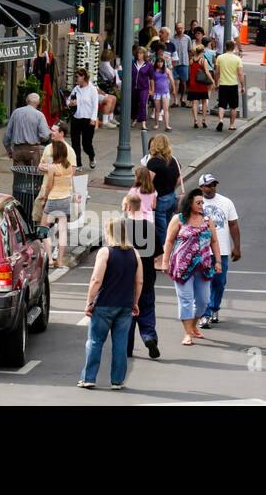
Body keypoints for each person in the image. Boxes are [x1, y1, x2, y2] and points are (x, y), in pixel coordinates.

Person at [77, 217, 142, 389]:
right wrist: (135, 302)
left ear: (109, 233)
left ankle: (88, 378)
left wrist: (89, 302)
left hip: (105, 303)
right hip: (126, 304)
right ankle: (117, 381)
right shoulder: (135, 253)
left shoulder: (105, 252)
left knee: (95, 341)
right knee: (120, 343)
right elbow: (139, 281)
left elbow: (96, 279)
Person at [162, 189, 220, 345]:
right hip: (182, 266)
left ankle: (193, 325)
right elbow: (169, 241)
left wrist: (218, 261)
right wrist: (165, 261)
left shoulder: (207, 220)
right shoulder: (178, 219)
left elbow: (214, 241)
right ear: (189, 203)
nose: (201, 205)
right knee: (186, 299)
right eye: (198, 202)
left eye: (202, 202)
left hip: (204, 266)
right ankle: (187, 333)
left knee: (203, 300)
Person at [198, 174, 241, 328]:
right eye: (208, 185)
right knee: (204, 282)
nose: (212, 188)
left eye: (214, 185)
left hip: (221, 250)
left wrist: (236, 246)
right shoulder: (196, 203)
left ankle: (215, 307)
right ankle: (205, 313)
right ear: (201, 187)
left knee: (219, 282)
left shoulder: (226, 202)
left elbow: (233, 224)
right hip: (201, 250)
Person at [120, 192, 159, 359]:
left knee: (127, 313)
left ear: (128, 207)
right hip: (147, 276)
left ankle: (127, 348)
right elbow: (158, 254)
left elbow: (112, 252)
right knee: (147, 309)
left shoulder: (120, 227)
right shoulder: (149, 227)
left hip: (126, 278)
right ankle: (149, 336)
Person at [145, 134, 181, 271]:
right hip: (172, 197)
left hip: (160, 199)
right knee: (168, 228)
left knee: (161, 231)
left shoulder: (154, 162)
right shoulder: (173, 160)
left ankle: (161, 260)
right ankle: (170, 256)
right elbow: (178, 179)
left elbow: (148, 181)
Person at [37, 139, 75, 265]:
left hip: (53, 199)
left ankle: (50, 258)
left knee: (43, 229)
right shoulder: (69, 166)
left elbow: (49, 186)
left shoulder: (53, 167)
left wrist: (44, 199)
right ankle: (59, 260)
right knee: (63, 230)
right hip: (66, 199)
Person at [3, 92, 50, 169]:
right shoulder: (39, 115)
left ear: (26, 101)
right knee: (32, 177)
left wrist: (9, 150)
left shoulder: (16, 112)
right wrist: (39, 139)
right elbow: (45, 135)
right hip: (33, 148)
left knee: (19, 177)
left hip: (18, 149)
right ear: (38, 102)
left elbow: (7, 135)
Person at [67, 68, 99, 169]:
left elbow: (95, 105)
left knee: (86, 143)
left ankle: (91, 155)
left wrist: (93, 118)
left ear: (83, 77)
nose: (76, 78)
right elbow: (69, 100)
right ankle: (78, 163)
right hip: (76, 118)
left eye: (77, 76)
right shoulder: (76, 89)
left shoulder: (92, 89)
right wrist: (70, 104)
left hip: (88, 119)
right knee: (75, 142)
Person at [213, 39, 244, 132]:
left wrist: (216, 83)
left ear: (225, 47)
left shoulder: (220, 58)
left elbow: (217, 72)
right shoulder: (237, 59)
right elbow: (240, 74)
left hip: (223, 84)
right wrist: (243, 86)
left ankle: (221, 120)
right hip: (233, 84)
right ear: (234, 48)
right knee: (233, 106)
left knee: (222, 105)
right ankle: (231, 125)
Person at [187, 45, 214, 128]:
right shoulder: (203, 61)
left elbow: (190, 72)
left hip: (193, 83)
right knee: (204, 102)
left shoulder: (191, 60)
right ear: (202, 52)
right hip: (201, 83)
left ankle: (195, 121)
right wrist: (212, 81)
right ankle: (203, 120)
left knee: (194, 102)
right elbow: (207, 72)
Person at [131, 47, 152, 131]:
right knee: (134, 103)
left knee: (143, 103)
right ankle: (135, 119)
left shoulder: (148, 65)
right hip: (134, 87)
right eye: (138, 53)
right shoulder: (133, 63)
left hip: (144, 87)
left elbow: (152, 78)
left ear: (144, 55)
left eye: (141, 53)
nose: (139, 55)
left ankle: (143, 122)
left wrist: (152, 90)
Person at [170, 23, 190, 106]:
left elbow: (190, 50)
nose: (180, 30)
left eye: (181, 28)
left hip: (184, 62)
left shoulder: (187, 38)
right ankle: (175, 100)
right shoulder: (172, 39)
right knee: (174, 82)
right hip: (174, 63)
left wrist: (188, 60)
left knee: (183, 82)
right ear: (175, 29)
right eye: (178, 28)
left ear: (184, 29)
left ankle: (182, 98)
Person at [149, 55, 172, 131]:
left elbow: (171, 79)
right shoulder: (153, 71)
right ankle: (156, 124)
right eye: (158, 62)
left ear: (163, 63)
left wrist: (174, 90)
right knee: (157, 109)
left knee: (166, 109)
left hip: (165, 92)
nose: (160, 63)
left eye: (161, 62)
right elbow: (151, 81)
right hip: (156, 92)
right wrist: (151, 90)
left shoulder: (166, 70)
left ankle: (167, 125)